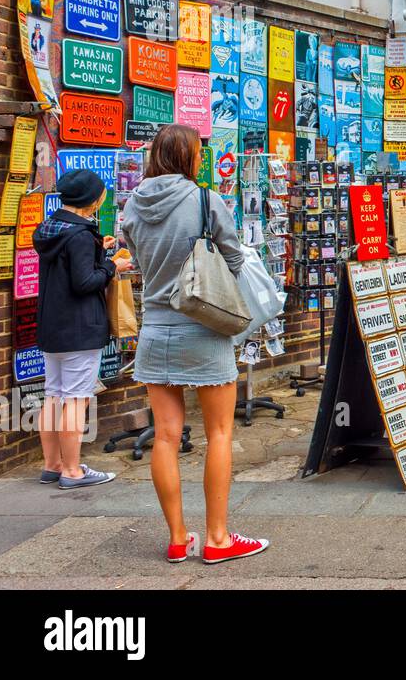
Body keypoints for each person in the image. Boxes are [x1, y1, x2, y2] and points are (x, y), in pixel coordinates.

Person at [120, 124, 268, 565]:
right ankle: (218, 538)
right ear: (187, 157)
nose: (202, 159)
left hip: (155, 332)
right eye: (199, 152)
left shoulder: (131, 204)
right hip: (202, 327)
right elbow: (236, 257)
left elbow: (138, 257)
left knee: (165, 436)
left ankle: (177, 538)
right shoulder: (205, 200)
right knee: (219, 433)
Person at [32, 169, 131, 489]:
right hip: (79, 327)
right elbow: (85, 282)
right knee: (76, 398)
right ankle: (72, 471)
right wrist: (112, 265)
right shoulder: (78, 235)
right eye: (102, 193)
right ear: (92, 201)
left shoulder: (51, 228)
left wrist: (97, 250)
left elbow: (68, 268)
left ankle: (52, 464)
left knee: (54, 396)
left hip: (52, 327)